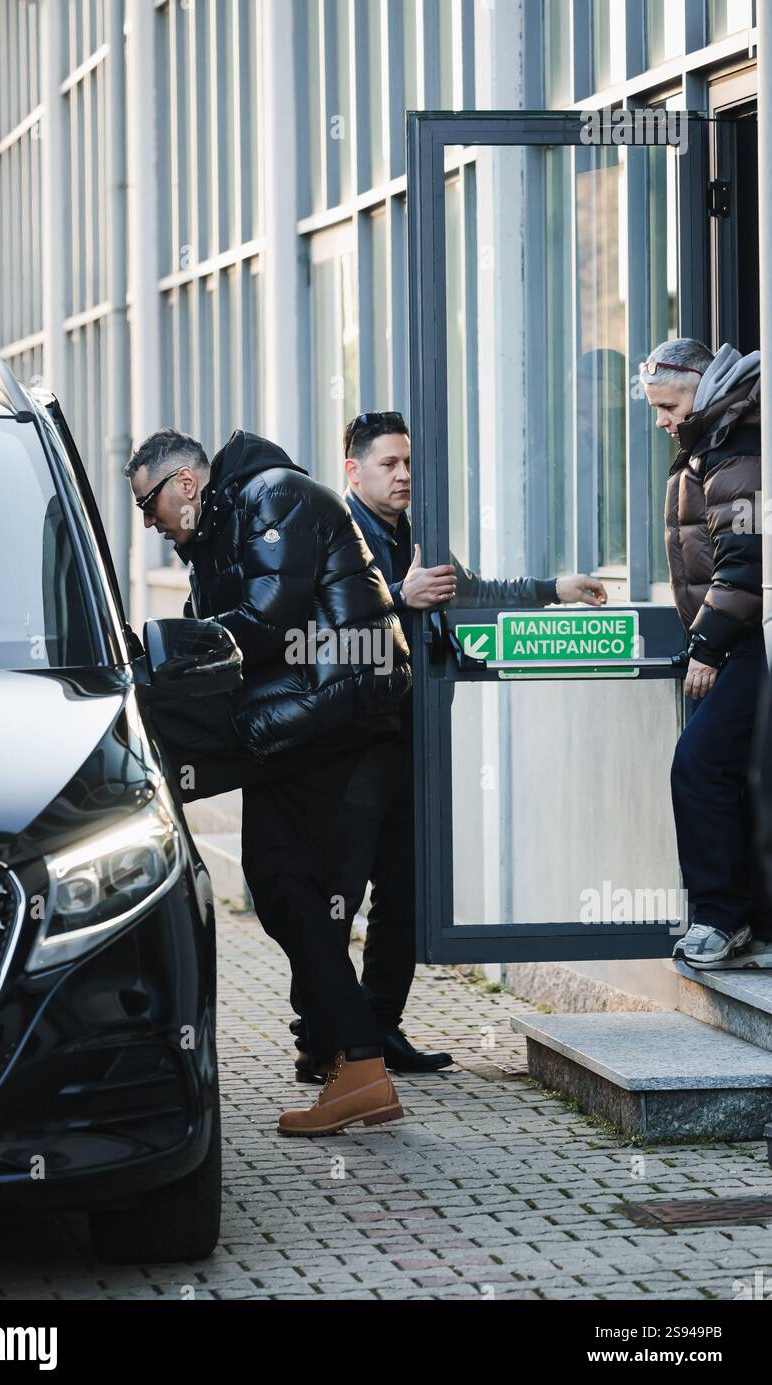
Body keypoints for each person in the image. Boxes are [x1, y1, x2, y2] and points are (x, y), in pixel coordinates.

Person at [290, 411, 609, 1083]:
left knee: (404, 893)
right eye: (389, 464)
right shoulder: (325, 536)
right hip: (350, 752)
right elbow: (315, 641)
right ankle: (323, 1042)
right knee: (335, 899)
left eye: (409, 463)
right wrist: (398, 601)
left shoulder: (417, 536)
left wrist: (553, 590)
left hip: (412, 744)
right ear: (353, 471)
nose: (404, 475)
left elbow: (473, 592)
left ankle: (378, 1032)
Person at [125, 427, 414, 1135]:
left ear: (185, 485)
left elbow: (263, 622)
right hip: (299, 726)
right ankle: (354, 1061)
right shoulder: (220, 530)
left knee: (297, 887)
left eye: (149, 504)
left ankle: (358, 1057)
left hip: (342, 716)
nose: (149, 521)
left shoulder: (273, 496)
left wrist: (154, 649)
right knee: (280, 884)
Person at [640, 338, 772, 969]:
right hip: (736, 637)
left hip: (748, 639)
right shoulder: (710, 441)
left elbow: (747, 564)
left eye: (668, 405)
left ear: (702, 384)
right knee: (738, 775)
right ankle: (751, 924)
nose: (663, 420)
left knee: (698, 766)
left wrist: (707, 647)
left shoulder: (736, 442)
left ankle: (720, 919)